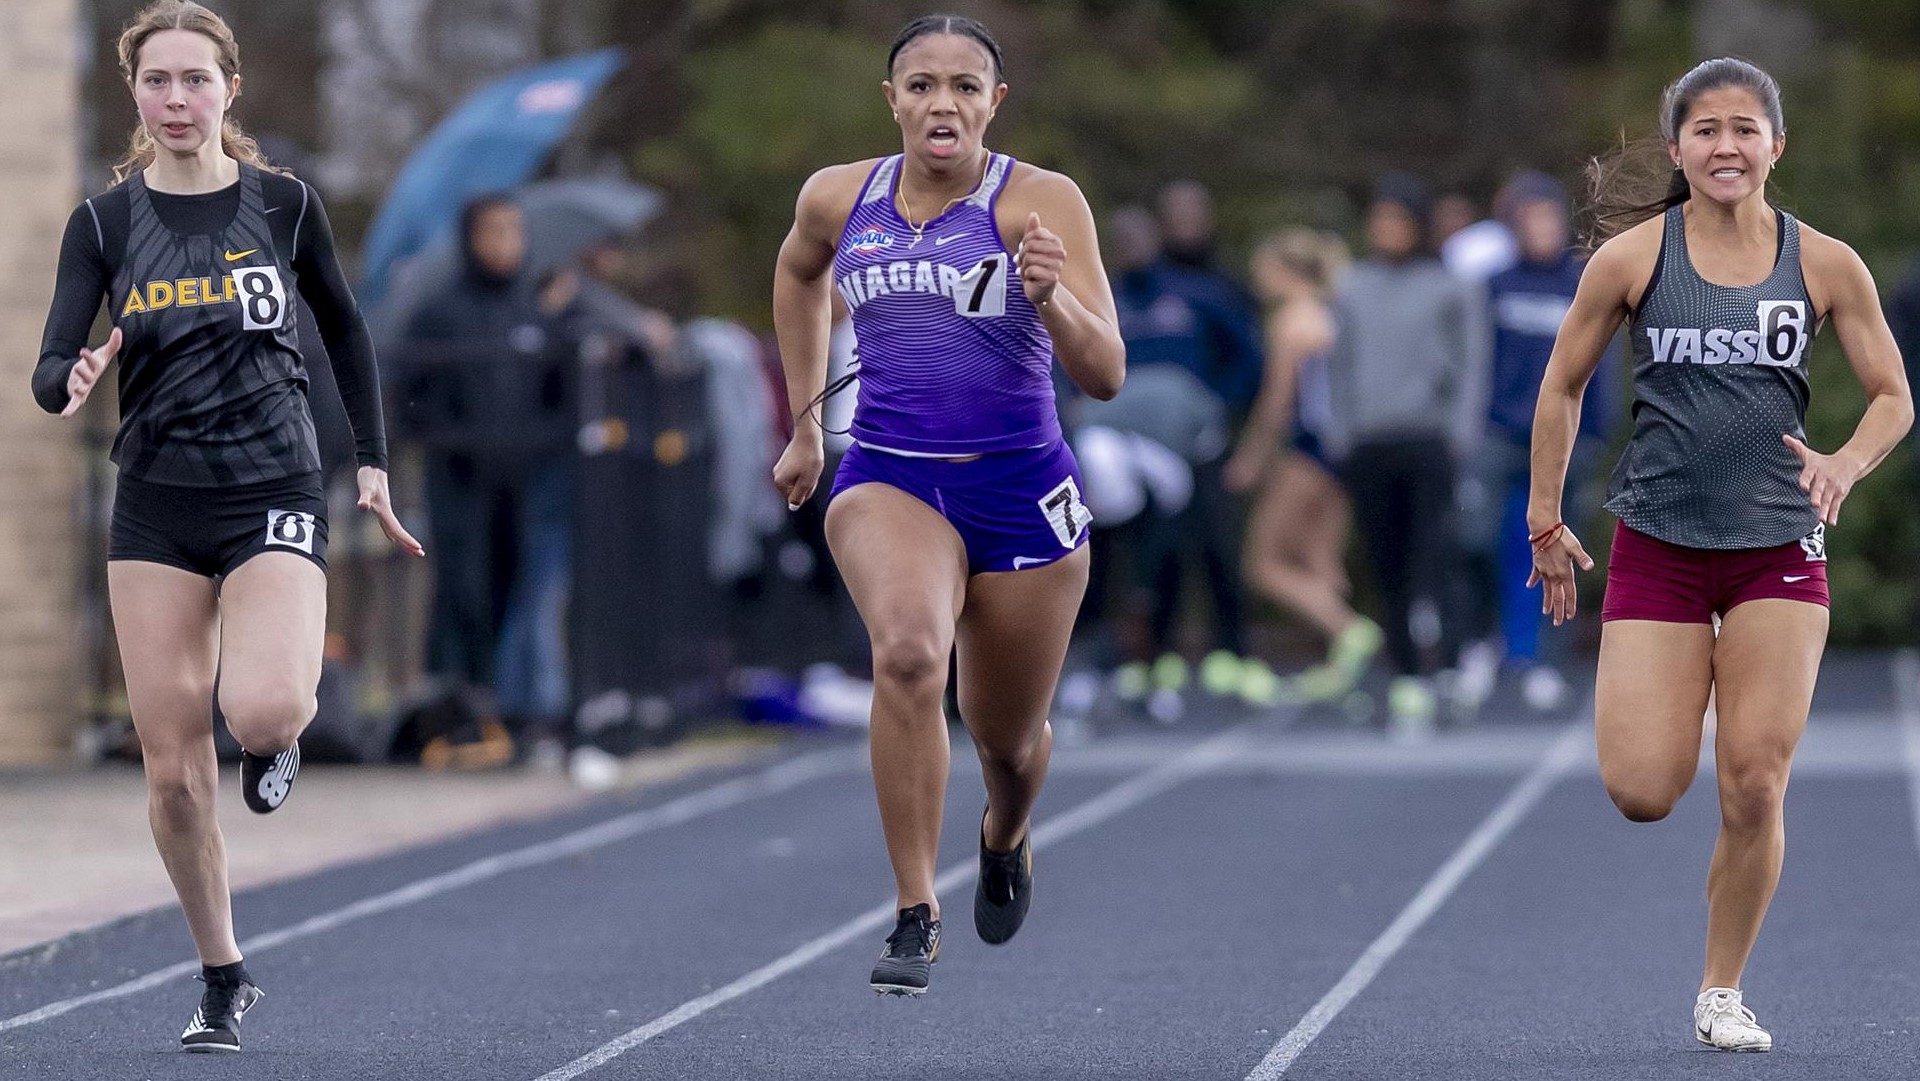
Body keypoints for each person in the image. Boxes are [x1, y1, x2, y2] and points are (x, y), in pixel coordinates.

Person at [32, 0, 421, 1052]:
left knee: (261, 710)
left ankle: (275, 739)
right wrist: (67, 377)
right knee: (171, 771)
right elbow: (52, 362)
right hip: (157, 503)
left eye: (195, 79)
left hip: (272, 488)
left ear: (229, 89)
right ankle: (221, 972)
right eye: (156, 81)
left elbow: (345, 326)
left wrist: (372, 460)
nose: (176, 99)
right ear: (134, 93)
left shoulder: (284, 205)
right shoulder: (104, 224)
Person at [1529, 57, 1911, 1051]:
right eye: (1707, 130)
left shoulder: (1825, 263)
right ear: (1677, 148)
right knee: (1643, 790)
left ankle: (1721, 990)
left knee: (1753, 780)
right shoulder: (1634, 260)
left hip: (1777, 546)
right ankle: (1686, 680)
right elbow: (1561, 384)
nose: (1726, 146)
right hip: (1660, 542)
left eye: (1745, 129)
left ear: (1777, 145)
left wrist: (1845, 463)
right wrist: (1545, 517)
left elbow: (1892, 396)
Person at [770, 14, 1123, 996]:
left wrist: (1052, 297)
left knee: (1005, 739)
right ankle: (915, 908)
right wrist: (806, 423)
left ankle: (1004, 831)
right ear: (892, 99)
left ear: (993, 103)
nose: (943, 103)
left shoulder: (1040, 201)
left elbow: (1106, 372)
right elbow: (798, 273)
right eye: (922, 84)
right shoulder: (838, 197)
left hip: (1020, 489)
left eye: (965, 86)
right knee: (909, 654)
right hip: (892, 476)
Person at [1324, 172, 1490, 737]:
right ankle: (1406, 676)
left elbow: (1472, 364)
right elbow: (1338, 365)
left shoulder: (1450, 286)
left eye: (1398, 219)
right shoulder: (1351, 285)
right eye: (1380, 219)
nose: (1387, 229)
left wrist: (1460, 431)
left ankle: (1449, 667)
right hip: (1370, 441)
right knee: (1386, 563)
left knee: (1435, 557)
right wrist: (1340, 432)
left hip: (1428, 439)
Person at [1457, 171, 1619, 712]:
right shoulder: (1494, 285)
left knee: (1560, 548)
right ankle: (1481, 645)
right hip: (1500, 434)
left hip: (1568, 441)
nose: (1541, 229)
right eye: (1531, 220)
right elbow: (1473, 362)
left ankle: (1547, 662)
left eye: (1549, 218)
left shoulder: (1582, 283)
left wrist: (1597, 430)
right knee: (1476, 538)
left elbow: (1603, 365)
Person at [1225, 228, 1381, 702]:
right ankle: (1345, 668)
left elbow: (1278, 402)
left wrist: (1252, 458)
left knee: (1263, 563)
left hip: (1311, 448)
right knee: (1320, 561)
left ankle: (1349, 630)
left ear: (1283, 271)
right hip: (1346, 450)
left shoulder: (1293, 319)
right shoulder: (1336, 311)